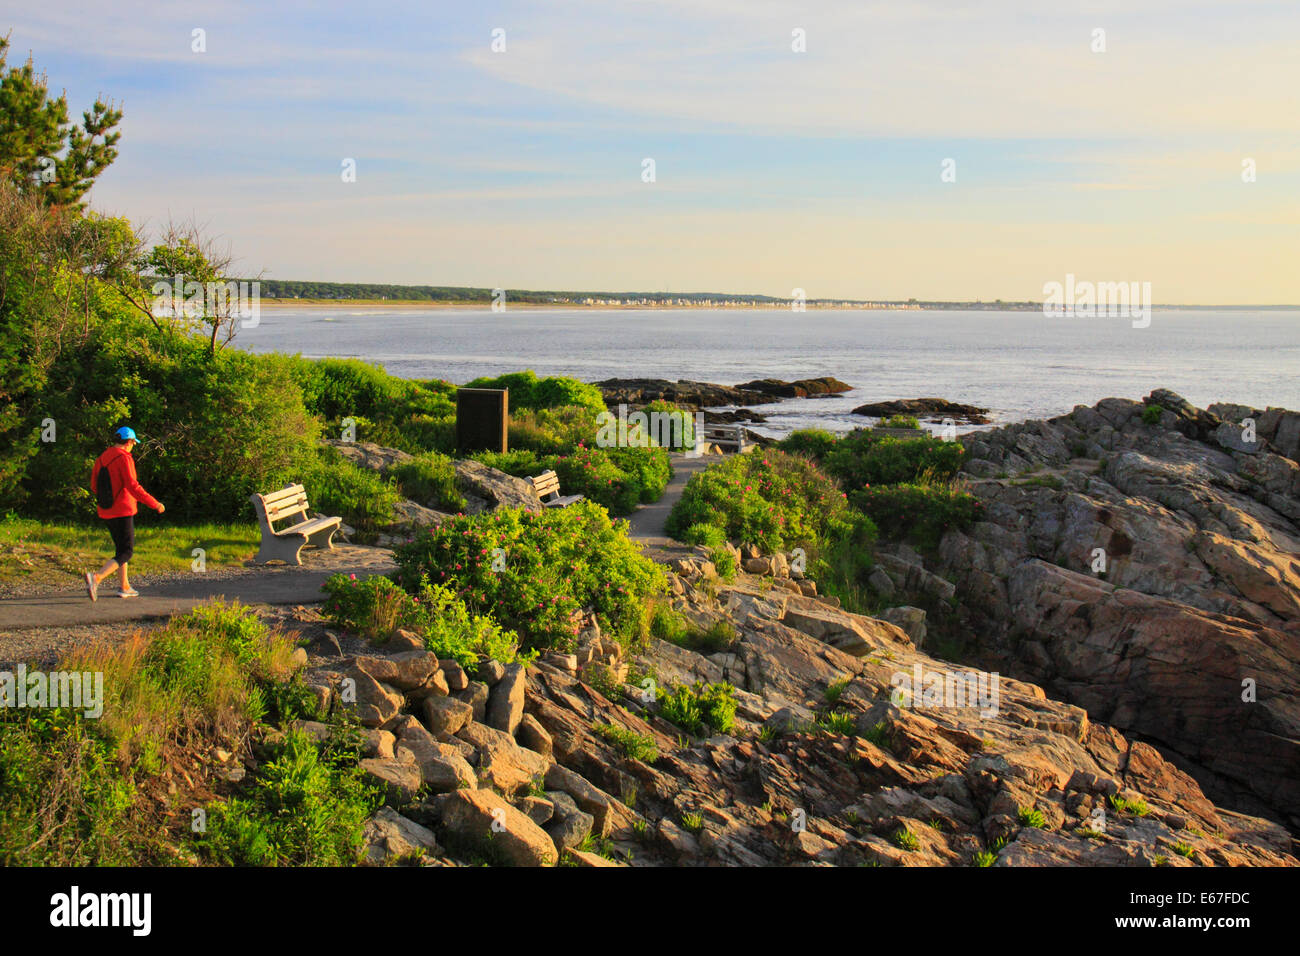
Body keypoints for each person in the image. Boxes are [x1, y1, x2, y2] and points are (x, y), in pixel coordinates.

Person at [84, 426, 165, 600]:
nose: (133, 446)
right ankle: (96, 578)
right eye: (133, 443)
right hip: (123, 509)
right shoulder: (124, 458)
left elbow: (93, 485)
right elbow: (132, 485)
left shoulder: (102, 458)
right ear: (129, 442)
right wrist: (154, 503)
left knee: (120, 549)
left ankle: (124, 586)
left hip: (105, 510)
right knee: (127, 552)